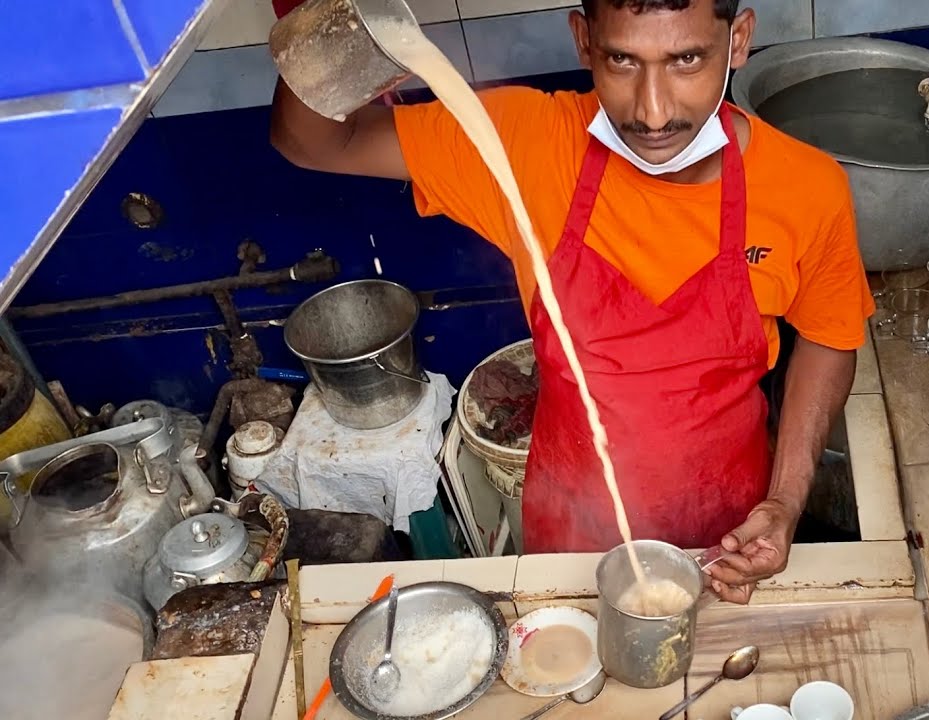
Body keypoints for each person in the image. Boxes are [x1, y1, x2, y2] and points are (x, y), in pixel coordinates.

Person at [269, 0, 874, 604]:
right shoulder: (527, 143)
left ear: (738, 40)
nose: (653, 110)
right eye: (622, 61)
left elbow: (829, 335)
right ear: (583, 41)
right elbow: (315, 141)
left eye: (687, 59)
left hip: (732, 526)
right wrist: (334, 19)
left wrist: (785, 501)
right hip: (570, 532)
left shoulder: (807, 188)